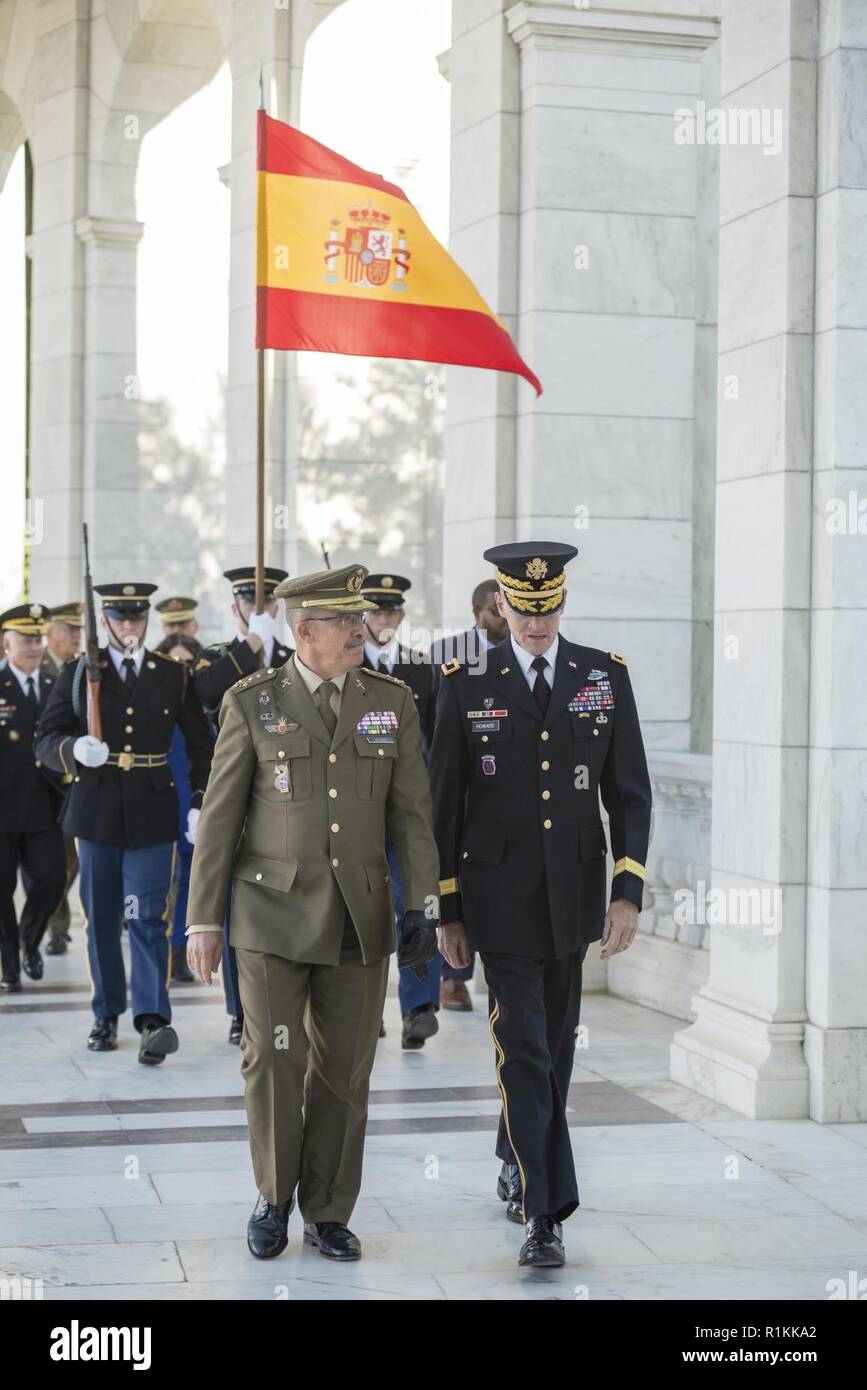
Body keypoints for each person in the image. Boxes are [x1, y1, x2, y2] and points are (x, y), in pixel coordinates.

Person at [185, 563, 440, 1263]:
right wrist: (202, 920)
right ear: (305, 631)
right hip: (268, 913)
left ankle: (327, 1210)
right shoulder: (251, 702)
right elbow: (219, 819)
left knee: (344, 1071)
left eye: (360, 620)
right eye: (345, 621)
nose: (360, 630)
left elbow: (413, 814)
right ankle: (272, 1197)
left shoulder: (390, 701)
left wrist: (423, 904)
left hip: (359, 918)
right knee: (272, 1058)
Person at [429, 541, 652, 1269]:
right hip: (496, 901)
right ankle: (544, 1210)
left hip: (575, 896)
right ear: (500, 605)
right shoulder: (466, 683)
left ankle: (511, 1149)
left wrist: (627, 894)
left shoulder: (601, 676)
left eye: (547, 608)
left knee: (552, 1050)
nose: (534, 623)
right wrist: (449, 911)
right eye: (521, 611)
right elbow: (444, 807)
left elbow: (629, 793)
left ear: (561, 603)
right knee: (521, 1048)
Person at [35, 582, 213, 1063]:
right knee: (103, 920)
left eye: (137, 618)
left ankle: (154, 1018)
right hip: (96, 813)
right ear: (106, 621)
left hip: (153, 814)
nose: (130, 627)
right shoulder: (78, 673)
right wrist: (72, 750)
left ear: (147, 621)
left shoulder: (171, 675)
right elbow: (44, 738)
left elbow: (202, 747)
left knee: (147, 917)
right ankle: (107, 1012)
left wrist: (199, 800)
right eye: (120, 618)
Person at [193, 566, 292, 1044]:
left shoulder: (297, 658)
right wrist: (250, 646)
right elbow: (206, 693)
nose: (259, 612)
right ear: (235, 608)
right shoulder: (215, 658)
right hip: (236, 794)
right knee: (238, 905)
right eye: (250, 605)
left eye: (267, 605)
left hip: (284, 795)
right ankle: (239, 1010)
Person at [361, 571, 441, 1048]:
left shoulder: (421, 671)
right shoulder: (347, 670)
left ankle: (419, 1007)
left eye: (390, 611)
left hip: (410, 810)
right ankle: (367, 1009)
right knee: (367, 912)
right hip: (362, 811)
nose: (382, 619)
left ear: (401, 616)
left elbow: (437, 742)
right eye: (374, 611)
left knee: (417, 905)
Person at [428, 577, 510, 1011]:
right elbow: (429, 724)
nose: (502, 620)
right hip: (456, 786)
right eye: (495, 612)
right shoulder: (444, 655)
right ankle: (452, 976)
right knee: (453, 879)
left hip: (498, 791)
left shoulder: (519, 652)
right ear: (477, 611)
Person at [0, 604, 67, 991]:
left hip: (45, 805)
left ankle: (29, 939)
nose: (33, 647)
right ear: (6, 643)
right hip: (3, 809)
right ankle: (10, 963)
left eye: (37, 639)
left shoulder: (53, 683)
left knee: (52, 879)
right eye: (24, 639)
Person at [154, 629, 206, 986]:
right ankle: (159, 947)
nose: (181, 670)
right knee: (160, 881)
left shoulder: (203, 702)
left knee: (190, 878)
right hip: (160, 797)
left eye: (187, 663)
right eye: (174, 663)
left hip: (195, 798)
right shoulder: (155, 701)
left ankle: (179, 950)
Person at [39, 602, 84, 957]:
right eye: (68, 631)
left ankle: (55, 925)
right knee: (48, 862)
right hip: (38, 782)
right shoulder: (37, 668)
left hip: (70, 779)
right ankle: (52, 926)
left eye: (78, 631)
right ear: (50, 634)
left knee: (68, 861)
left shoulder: (81, 669)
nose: (75, 637)